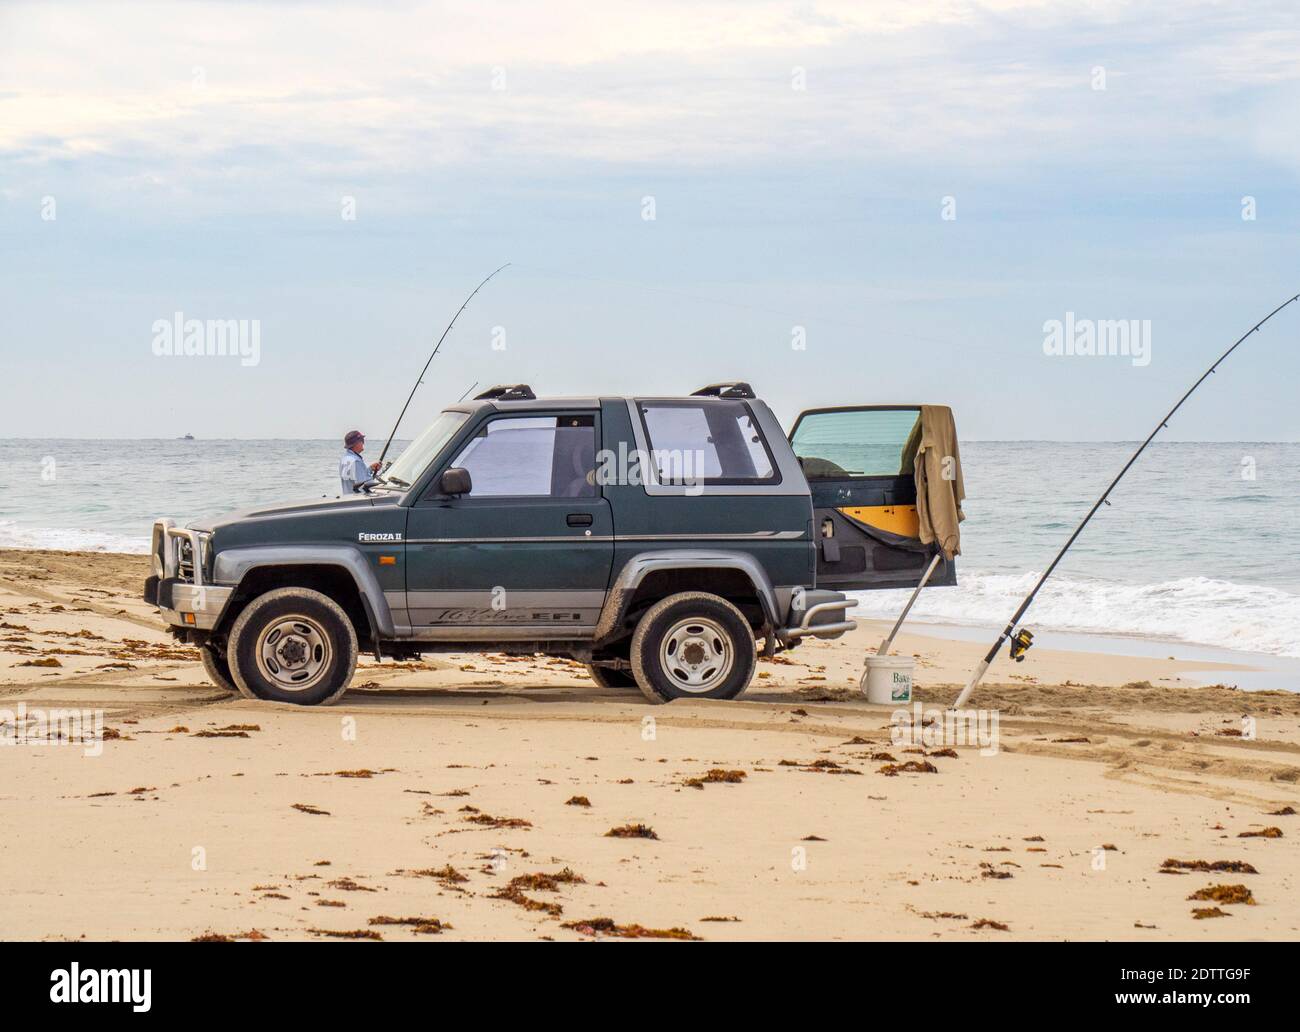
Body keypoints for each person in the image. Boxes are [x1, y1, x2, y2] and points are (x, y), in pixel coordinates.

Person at [340, 430, 382, 494]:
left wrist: (370, 469)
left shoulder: (345, 459)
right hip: (360, 501)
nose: (363, 443)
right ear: (356, 443)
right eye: (362, 440)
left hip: (348, 498)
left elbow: (354, 477)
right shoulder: (356, 462)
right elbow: (363, 487)